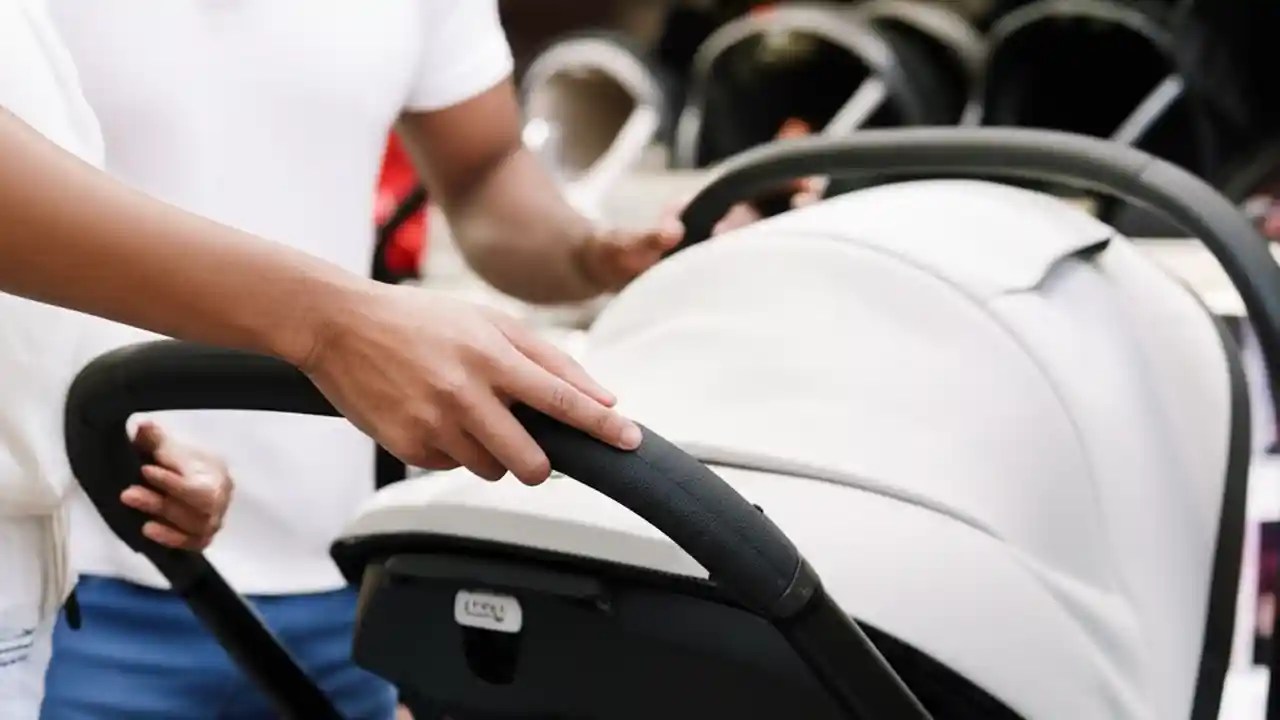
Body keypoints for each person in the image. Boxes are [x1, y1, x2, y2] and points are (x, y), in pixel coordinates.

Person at [37, 3, 679, 719]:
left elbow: (483, 169)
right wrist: (332, 326)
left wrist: (590, 254)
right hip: (68, 566)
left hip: (339, 572)